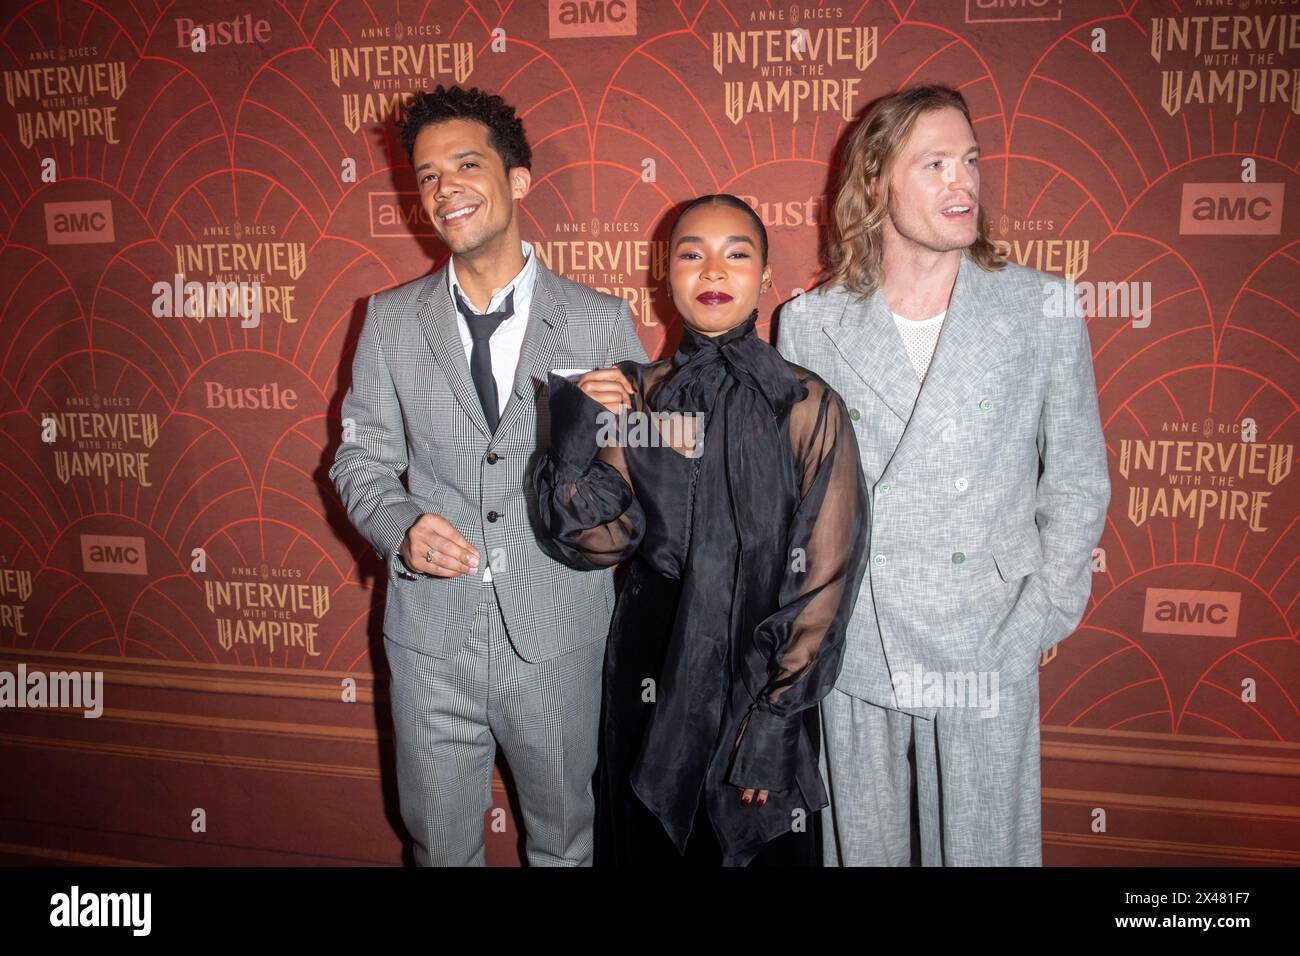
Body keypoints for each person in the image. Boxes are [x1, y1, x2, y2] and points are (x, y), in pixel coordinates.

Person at [777, 85, 1110, 866]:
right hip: (861, 641)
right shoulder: (811, 323)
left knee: (987, 853)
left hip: (987, 638)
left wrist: (1042, 613)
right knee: (865, 854)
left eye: (969, 160)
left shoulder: (1040, 307)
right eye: (934, 163)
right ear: (875, 183)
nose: (962, 181)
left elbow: (1077, 480)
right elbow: (799, 496)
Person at [329, 85, 647, 866]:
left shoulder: (599, 319)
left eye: (466, 165)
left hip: (558, 633)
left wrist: (629, 428)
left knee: (567, 846)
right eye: (428, 175)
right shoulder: (390, 318)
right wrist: (399, 527)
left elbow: (639, 476)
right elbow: (358, 455)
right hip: (430, 638)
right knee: (438, 850)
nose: (444, 189)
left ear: (519, 179)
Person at [532, 194, 869, 866]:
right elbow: (595, 540)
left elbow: (828, 583)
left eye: (736, 253)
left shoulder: (807, 405)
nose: (713, 269)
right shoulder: (635, 395)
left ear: (766, 277)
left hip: (761, 670)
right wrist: (575, 427)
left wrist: (772, 725)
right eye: (692, 253)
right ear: (667, 275)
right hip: (651, 667)